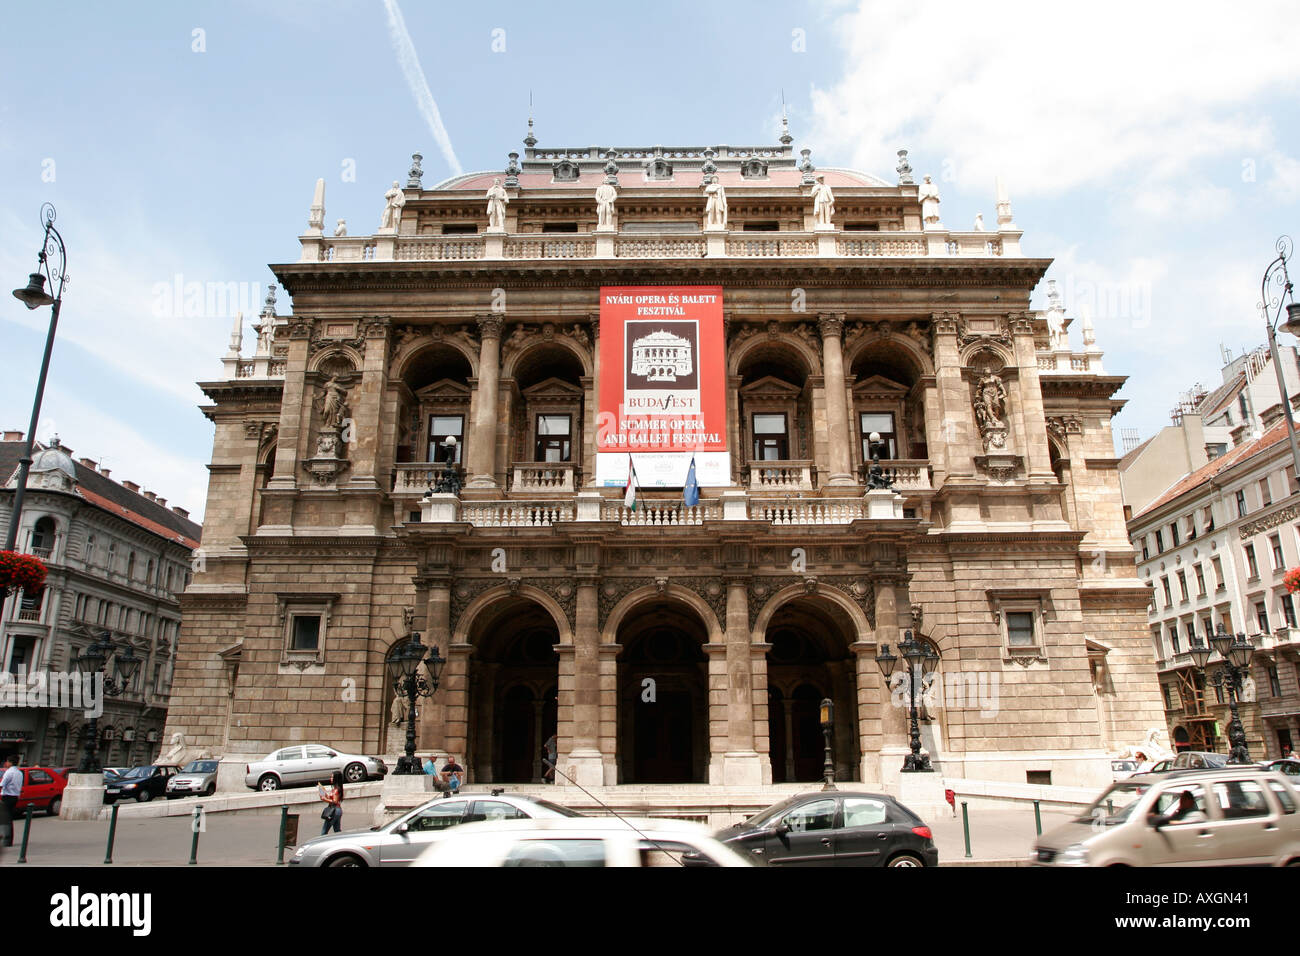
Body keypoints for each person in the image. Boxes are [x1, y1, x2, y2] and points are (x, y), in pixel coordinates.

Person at [0, 756, 21, 847]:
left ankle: (6, 840)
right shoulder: (19, 773)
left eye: (7, 762)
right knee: (9, 818)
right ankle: (9, 840)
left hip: (7, 796)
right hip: (15, 797)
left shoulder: (9, 772)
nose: (6, 763)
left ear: (11, 763)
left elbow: (2, 784)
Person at [319, 770, 344, 835]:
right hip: (337, 810)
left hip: (334, 810)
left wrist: (325, 799)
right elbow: (333, 799)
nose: (331, 779)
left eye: (332, 777)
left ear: (336, 778)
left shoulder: (336, 790)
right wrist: (325, 795)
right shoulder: (336, 789)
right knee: (337, 830)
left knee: (324, 831)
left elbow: (335, 801)